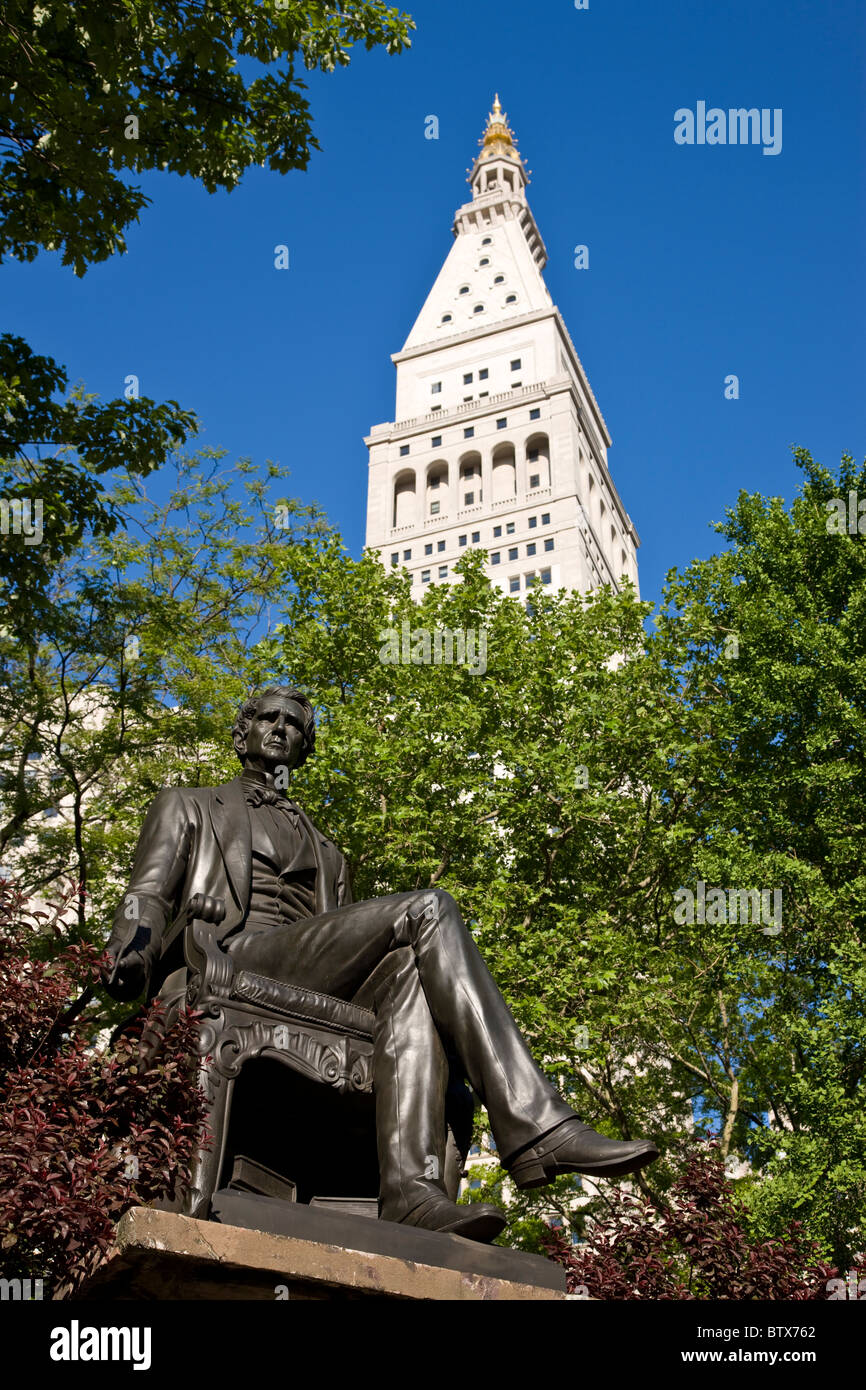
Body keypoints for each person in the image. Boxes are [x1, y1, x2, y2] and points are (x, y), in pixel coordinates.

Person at [105, 686, 658, 1242]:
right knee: (430, 907)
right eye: (268, 718)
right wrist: (129, 951)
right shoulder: (188, 804)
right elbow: (146, 895)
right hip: (233, 954)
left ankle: (413, 1193)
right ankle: (537, 1126)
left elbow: (338, 941)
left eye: (294, 724)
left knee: (410, 979)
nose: (280, 728)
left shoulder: (328, 851)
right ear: (242, 732)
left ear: (304, 746)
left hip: (302, 969)